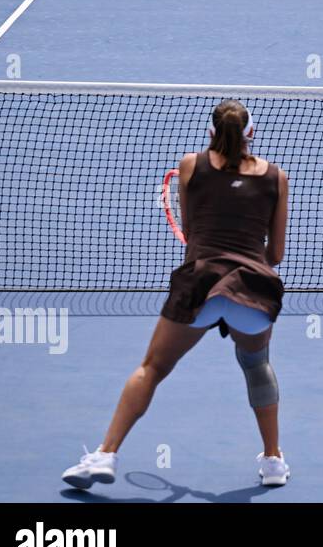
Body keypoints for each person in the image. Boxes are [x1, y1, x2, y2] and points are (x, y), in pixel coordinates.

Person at [61, 99, 292, 490]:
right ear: (251, 133)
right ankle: (273, 462)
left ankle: (105, 454)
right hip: (253, 291)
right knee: (256, 365)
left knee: (152, 367)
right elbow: (275, 256)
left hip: (200, 286)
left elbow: (191, 233)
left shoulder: (190, 166)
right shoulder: (276, 178)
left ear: (211, 133)